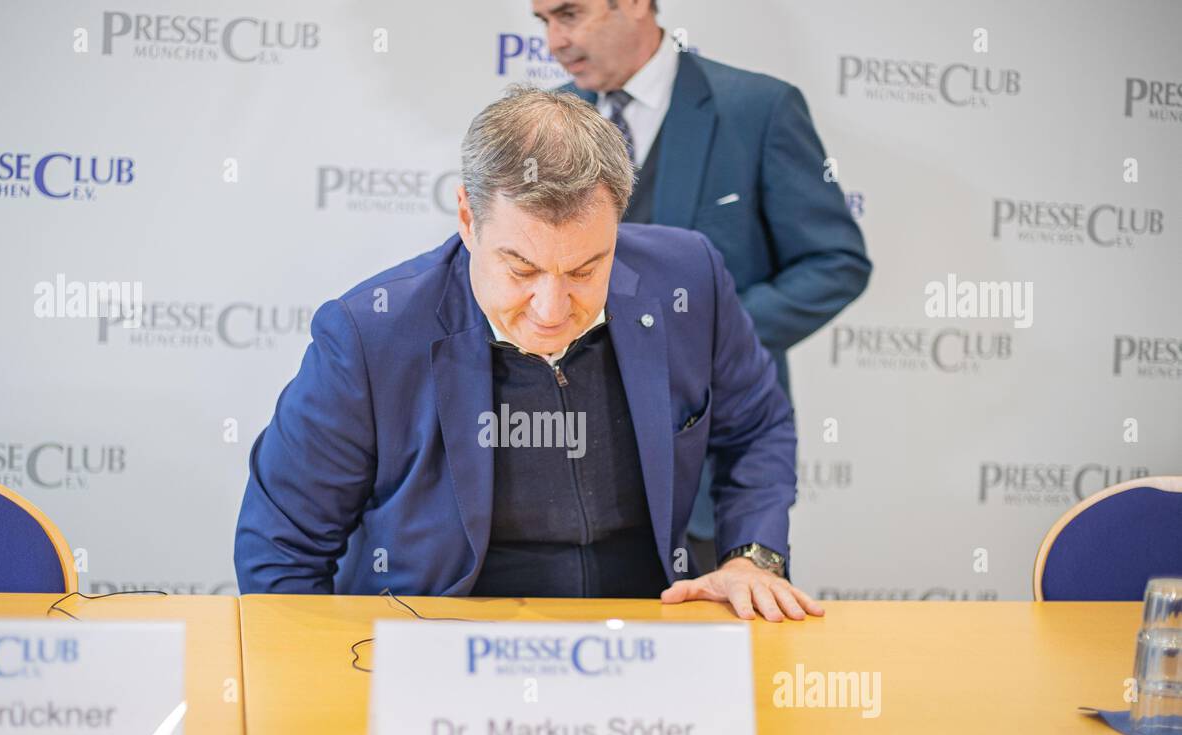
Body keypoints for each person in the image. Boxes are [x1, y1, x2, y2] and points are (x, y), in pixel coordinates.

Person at [234, 87, 822, 622]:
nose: (551, 308)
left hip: (647, 631)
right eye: (522, 267)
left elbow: (758, 425)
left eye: (587, 268)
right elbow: (280, 545)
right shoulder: (371, 335)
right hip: (439, 641)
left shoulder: (688, 278)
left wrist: (753, 557)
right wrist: (329, 683)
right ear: (469, 218)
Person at [536, 0, 872, 571]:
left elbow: (835, 262)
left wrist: (713, 339)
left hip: (714, 477)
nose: (554, 41)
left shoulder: (757, 109)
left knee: (726, 652)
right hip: (575, 478)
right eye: (542, 22)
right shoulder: (552, 122)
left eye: (569, 14)